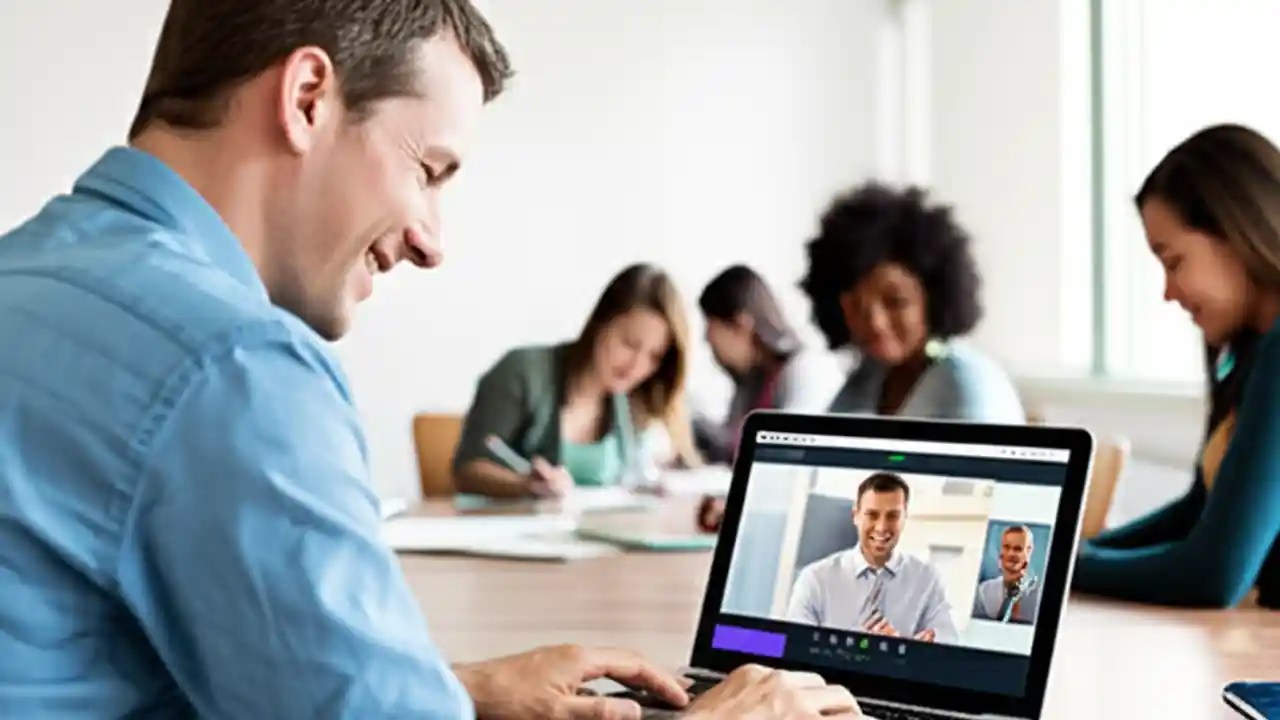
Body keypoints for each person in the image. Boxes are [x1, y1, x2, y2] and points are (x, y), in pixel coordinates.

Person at [0, 1, 861, 717]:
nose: (431, 241)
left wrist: (445, 692)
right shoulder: (235, 365)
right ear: (306, 97)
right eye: (429, 169)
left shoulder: (28, 274)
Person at [1073, 123, 1280, 610]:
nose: (1168, 292)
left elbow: (1213, 575)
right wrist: (1076, 552)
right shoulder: (1251, 354)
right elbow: (1200, 510)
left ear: (1236, 235)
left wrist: (1060, 568)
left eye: (1173, 260)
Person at [451, 263, 702, 498]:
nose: (637, 366)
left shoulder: (637, 402)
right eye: (629, 343)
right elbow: (466, 470)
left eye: (654, 356)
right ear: (599, 324)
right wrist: (523, 486)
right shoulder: (522, 372)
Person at [799, 183, 1025, 423]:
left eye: (895, 302)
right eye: (857, 306)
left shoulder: (970, 384)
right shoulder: (869, 378)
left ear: (933, 297)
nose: (876, 323)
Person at [692, 264, 844, 464]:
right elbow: (731, 448)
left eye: (710, 328)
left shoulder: (806, 370)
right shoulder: (753, 382)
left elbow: (788, 451)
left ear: (741, 324)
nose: (707, 341)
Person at [786, 473, 957, 643]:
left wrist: (905, 648)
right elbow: (792, 646)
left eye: (893, 516)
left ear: (905, 518)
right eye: (872, 515)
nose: (882, 527)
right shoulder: (814, 579)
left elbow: (948, 640)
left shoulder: (928, 579)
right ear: (856, 516)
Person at [973, 525, 1042, 624]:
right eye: (1006, 547)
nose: (1011, 554)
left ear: (1029, 552)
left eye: (1017, 549)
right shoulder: (984, 590)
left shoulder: (1038, 595)